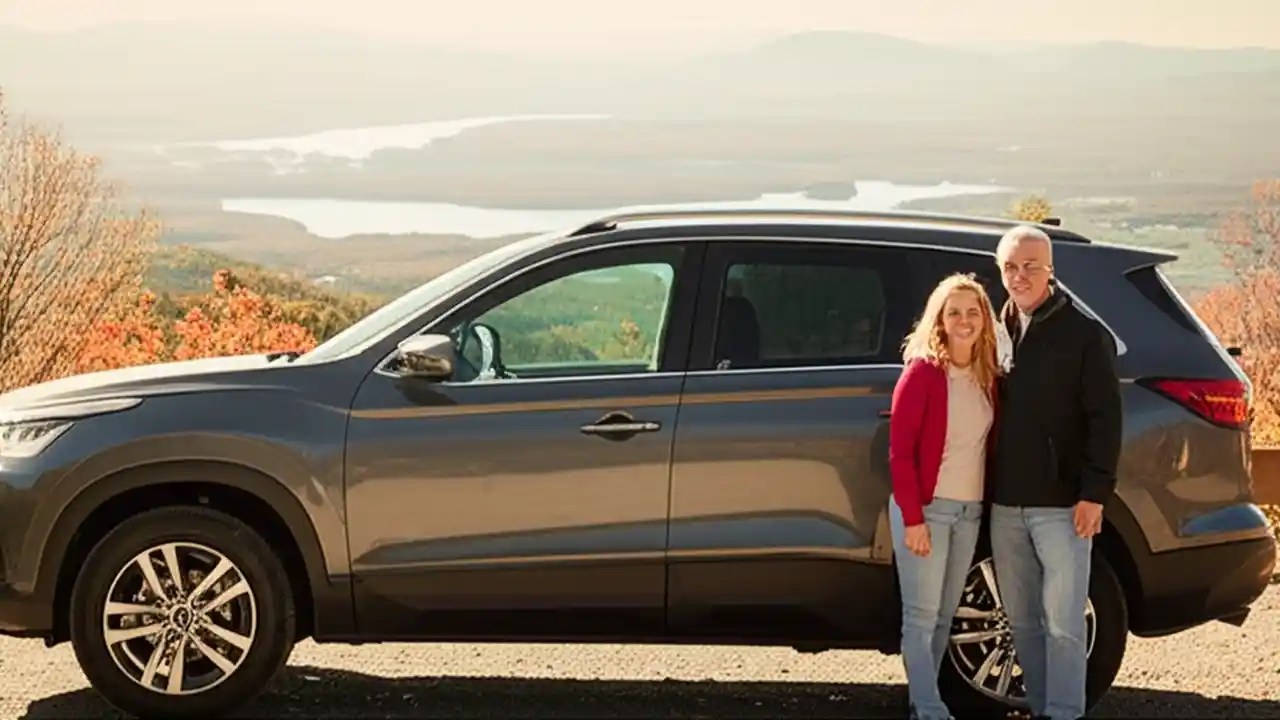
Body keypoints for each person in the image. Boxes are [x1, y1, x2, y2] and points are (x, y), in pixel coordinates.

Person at [988, 225, 1122, 720]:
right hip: (1005, 505)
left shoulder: (1084, 335)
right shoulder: (994, 327)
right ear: (1000, 269)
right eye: (1010, 267)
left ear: (1050, 270)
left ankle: (1065, 713)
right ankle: (1043, 708)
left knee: (1064, 624)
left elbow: (1106, 419)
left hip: (1064, 507)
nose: (1019, 276)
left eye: (1031, 267)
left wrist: (1095, 492)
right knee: (1022, 622)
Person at [888, 273, 1002, 720]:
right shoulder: (922, 372)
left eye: (973, 312)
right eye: (954, 311)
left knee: (942, 617)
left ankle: (923, 705)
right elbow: (900, 454)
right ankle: (932, 708)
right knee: (920, 615)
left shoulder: (986, 375)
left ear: (984, 320)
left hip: (968, 512)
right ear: (939, 318)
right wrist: (913, 519)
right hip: (926, 512)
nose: (964, 320)